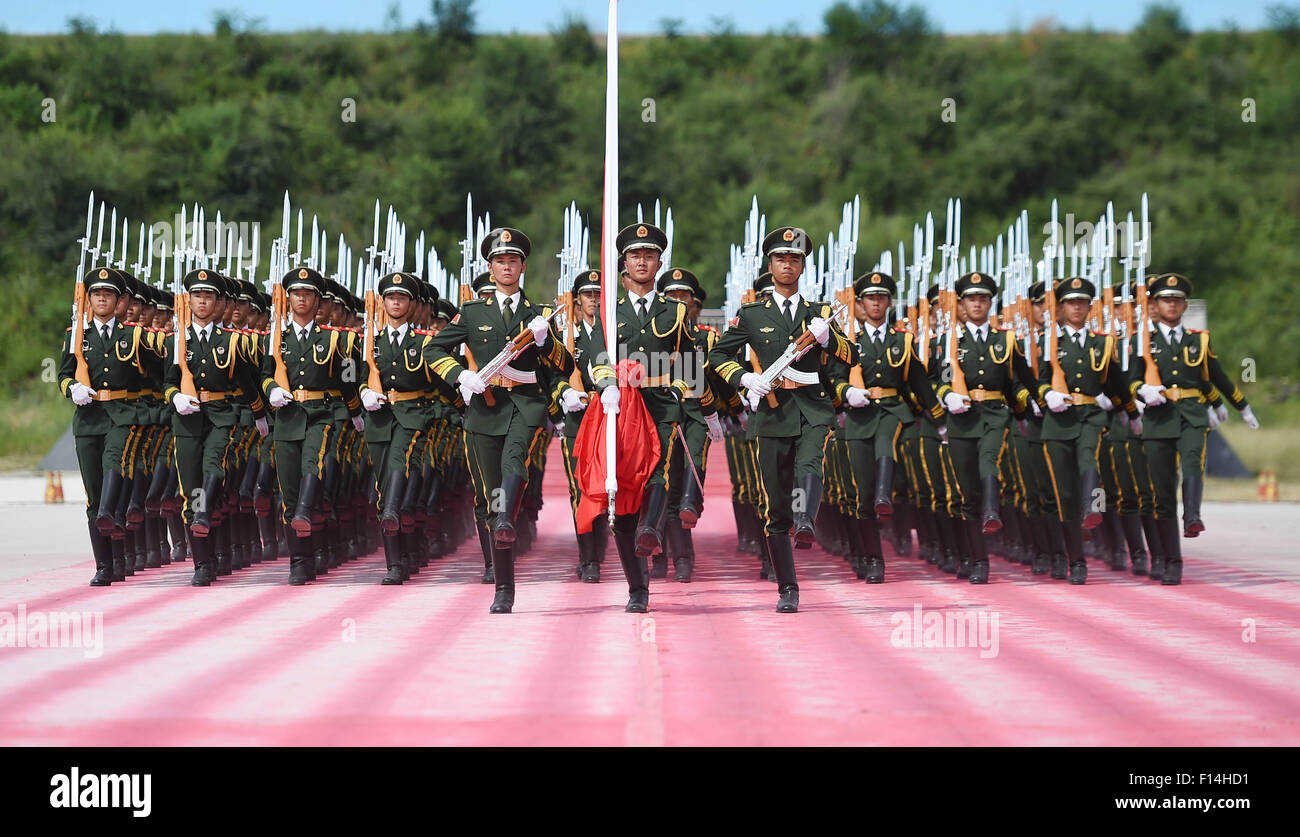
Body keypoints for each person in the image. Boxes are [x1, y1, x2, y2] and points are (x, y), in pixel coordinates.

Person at [708, 226, 858, 612]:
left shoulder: (820, 313)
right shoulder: (753, 313)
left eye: (794, 259)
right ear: (770, 265)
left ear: (803, 266)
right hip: (772, 414)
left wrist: (828, 340)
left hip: (812, 405)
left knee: (811, 461)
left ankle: (805, 519)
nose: (787, 265)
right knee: (774, 504)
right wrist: (745, 378)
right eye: (780, 259)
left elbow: (852, 356)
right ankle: (787, 588)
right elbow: (718, 356)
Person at [424, 228, 574, 613]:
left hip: (524, 405)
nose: (506, 267)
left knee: (515, 463)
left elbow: (564, 366)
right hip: (484, 409)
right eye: (499, 262)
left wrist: (546, 341)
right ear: (490, 269)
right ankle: (503, 585)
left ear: (522, 266)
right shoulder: (473, 312)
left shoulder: (538, 315)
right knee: (489, 496)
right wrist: (460, 375)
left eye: (513, 261)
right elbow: (434, 348)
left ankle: (508, 515)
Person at [1127, 272, 1259, 585]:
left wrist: (1241, 406)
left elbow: (1216, 376)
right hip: (1158, 419)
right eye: (1165, 299)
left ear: (1185, 306)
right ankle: (1170, 560)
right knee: (1161, 495)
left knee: (1192, 464)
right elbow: (1130, 379)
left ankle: (1193, 516)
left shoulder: (1198, 340)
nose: (1171, 304)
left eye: (1177, 300)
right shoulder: (1142, 341)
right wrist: (1141, 391)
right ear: (1155, 305)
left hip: (1191, 416)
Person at [833, 271, 942, 583]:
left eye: (881, 297)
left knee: (886, 439)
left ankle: (885, 494)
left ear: (890, 302)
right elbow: (834, 377)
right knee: (859, 495)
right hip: (858, 416)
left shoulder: (903, 340)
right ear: (861, 303)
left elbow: (920, 384)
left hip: (892, 410)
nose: (876, 302)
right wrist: (845, 393)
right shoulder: (848, 341)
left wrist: (940, 419)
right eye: (870, 298)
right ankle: (872, 558)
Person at [58, 267, 165, 585]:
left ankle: (120, 556)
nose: (101, 298)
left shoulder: (134, 336)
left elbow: (159, 371)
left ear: (119, 301)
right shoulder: (75, 336)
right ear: (88, 299)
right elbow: (63, 374)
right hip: (89, 420)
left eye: (107, 294)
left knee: (113, 475)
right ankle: (106, 564)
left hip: (123, 417)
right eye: (96, 294)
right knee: (94, 497)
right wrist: (71, 389)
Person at [261, 266, 364, 585]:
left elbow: (349, 378)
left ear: (319, 302)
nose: (301, 298)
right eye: (296, 293)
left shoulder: (338, 338)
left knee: (313, 466)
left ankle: (306, 513)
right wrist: (271, 390)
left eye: (308, 294)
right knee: (289, 489)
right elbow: (264, 375)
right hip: (288, 417)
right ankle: (300, 559)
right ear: (288, 298)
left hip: (323, 414)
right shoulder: (275, 338)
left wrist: (355, 410)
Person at [930, 272, 1035, 584]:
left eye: (983, 298)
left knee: (989, 460)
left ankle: (992, 513)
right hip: (961, 419)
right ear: (961, 304)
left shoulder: (1006, 339)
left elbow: (1017, 381)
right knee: (966, 492)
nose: (977, 303)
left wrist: (1029, 403)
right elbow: (941, 379)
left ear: (991, 303)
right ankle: (975, 558)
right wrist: (948, 395)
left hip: (993, 414)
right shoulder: (947, 343)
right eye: (971, 298)